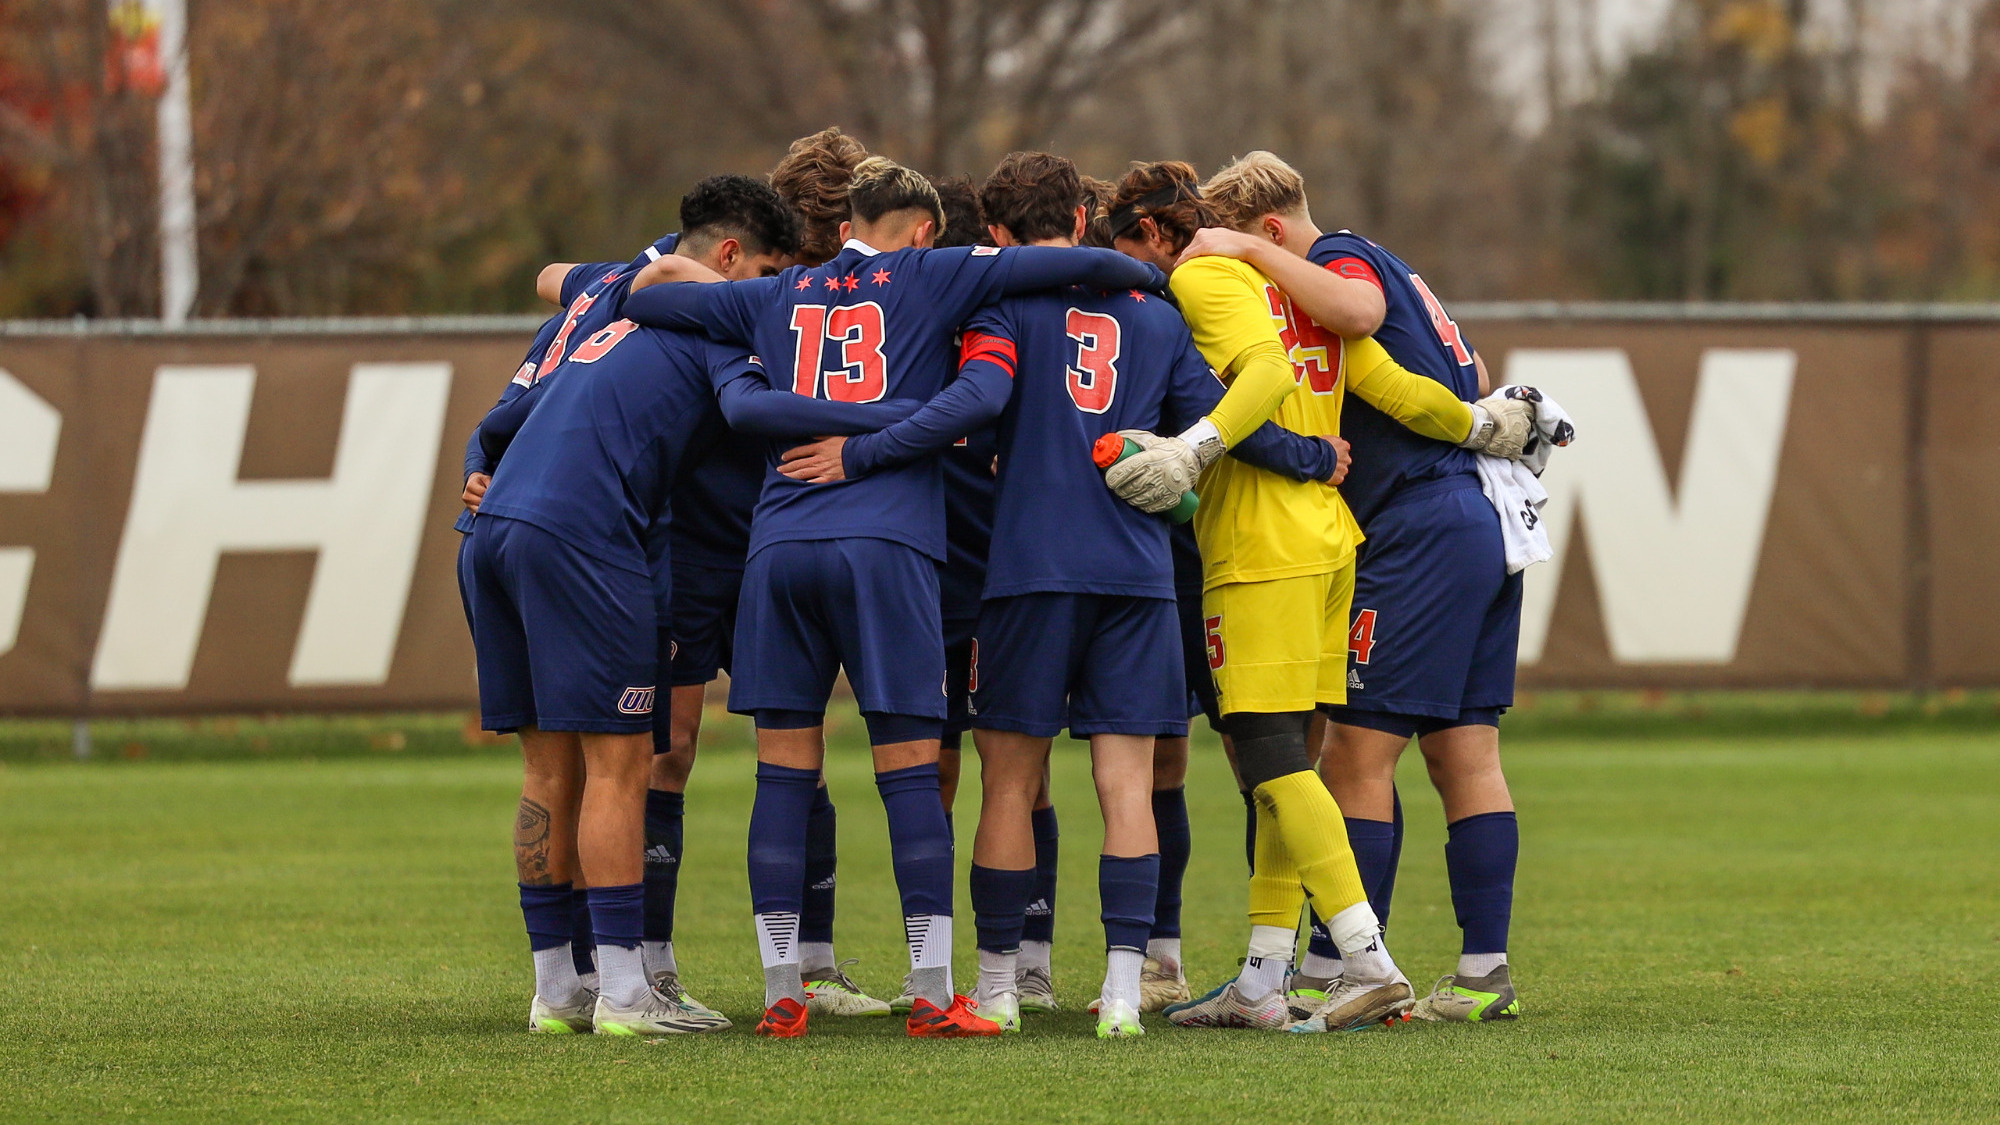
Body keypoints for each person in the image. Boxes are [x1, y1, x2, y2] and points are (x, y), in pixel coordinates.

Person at [620, 155, 1168, 1039]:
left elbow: (644, 298)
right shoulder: (940, 271)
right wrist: (1148, 269)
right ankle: (929, 986)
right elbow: (1088, 272)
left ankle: (779, 992)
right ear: (923, 229)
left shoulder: (779, 293)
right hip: (887, 545)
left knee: (783, 773)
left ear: (842, 228)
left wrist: (670, 271)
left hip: (783, 545)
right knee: (913, 772)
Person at [464, 175, 933, 1036]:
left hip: (495, 527)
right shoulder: (714, 320)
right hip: (589, 534)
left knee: (548, 771)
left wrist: (477, 454)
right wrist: (898, 417)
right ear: (728, 260)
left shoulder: (609, 301)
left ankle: (556, 990)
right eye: (766, 273)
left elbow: (534, 336)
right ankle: (625, 993)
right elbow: (757, 406)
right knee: (619, 767)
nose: (776, 292)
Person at [1103, 160, 1530, 1033]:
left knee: (1274, 753)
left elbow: (1259, 377)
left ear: (1156, 234)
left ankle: (1363, 957)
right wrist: (1483, 423)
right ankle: (1266, 972)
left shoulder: (1207, 274)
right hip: (1337, 536)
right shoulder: (1307, 289)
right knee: (1290, 758)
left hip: (1262, 543)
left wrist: (1190, 448)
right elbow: (1400, 390)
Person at [929, 151, 1349, 1037]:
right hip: (1138, 581)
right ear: (1082, 222)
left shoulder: (999, 305)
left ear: (999, 237)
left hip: (1031, 572)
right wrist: (1315, 455)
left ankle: (1000, 988)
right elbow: (1233, 419)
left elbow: (978, 402)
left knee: (1008, 783)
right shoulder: (1155, 321)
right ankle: (1127, 991)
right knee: (1130, 788)